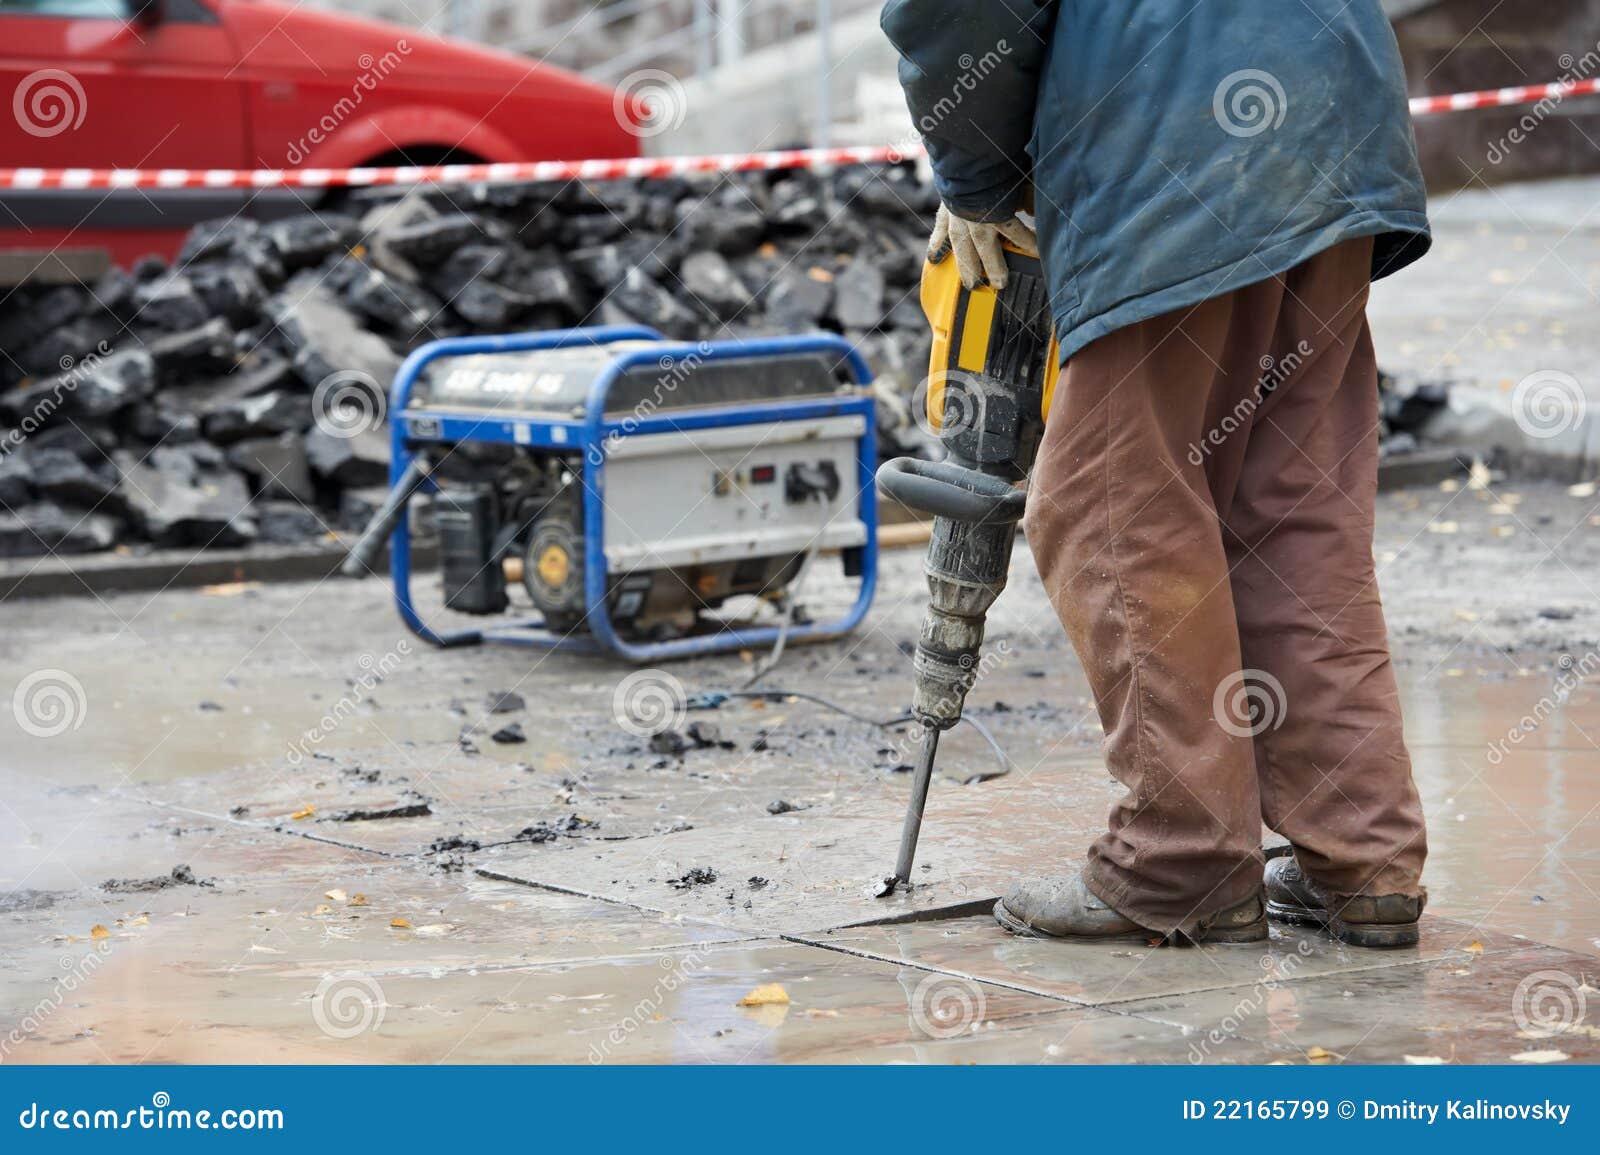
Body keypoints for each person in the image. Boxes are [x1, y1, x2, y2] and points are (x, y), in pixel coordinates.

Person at [882, 0, 1431, 947]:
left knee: (1110, 504)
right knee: (1293, 514)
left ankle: (1180, 859)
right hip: (1336, 115)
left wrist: (977, 181)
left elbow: (954, 9)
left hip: (1179, 140)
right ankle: (1363, 855)